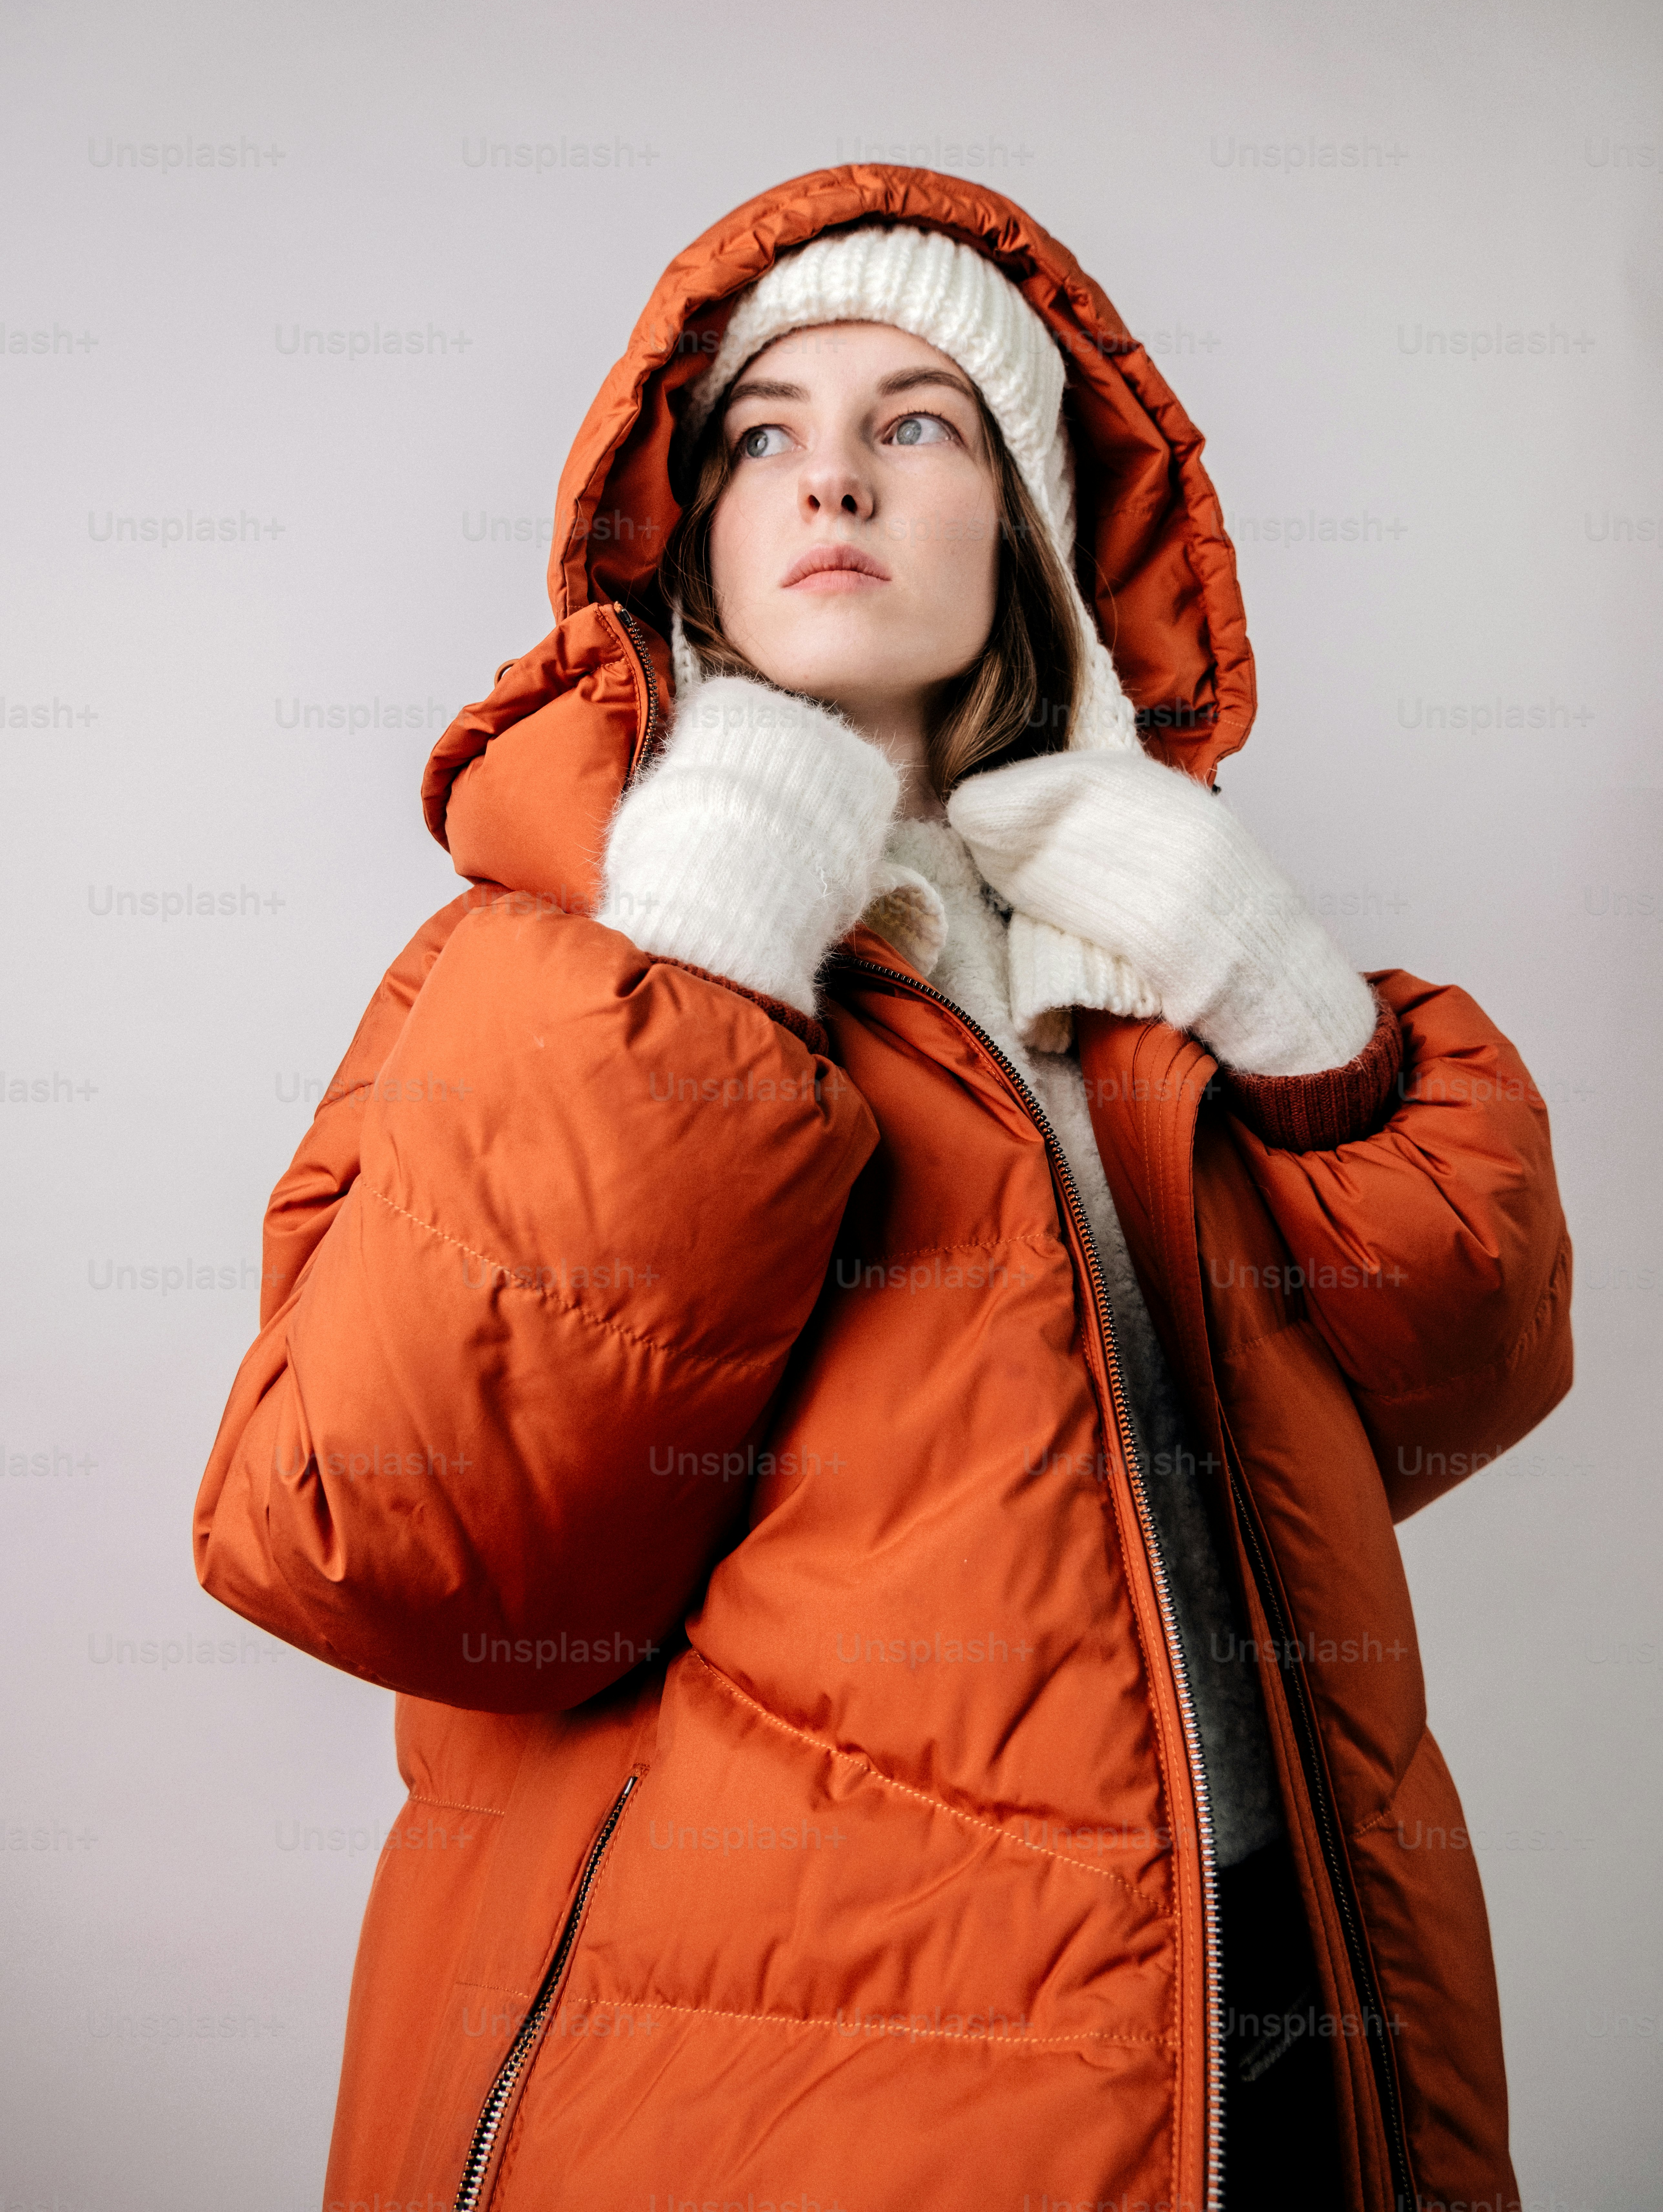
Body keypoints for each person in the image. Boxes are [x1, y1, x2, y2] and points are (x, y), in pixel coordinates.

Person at [195, 169, 1572, 2212]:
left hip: (1272, 2034)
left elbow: (1448, 1402)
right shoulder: (536, 954)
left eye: (917, 420)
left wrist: (1288, 1005)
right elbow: (402, 1555)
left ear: (1016, 521)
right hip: (767, 2098)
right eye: (767, 432)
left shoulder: (1142, 952)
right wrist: (696, 967)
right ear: (702, 525)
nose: (832, 479)